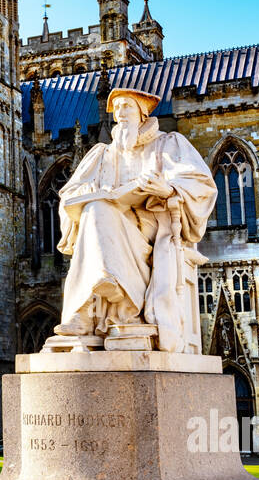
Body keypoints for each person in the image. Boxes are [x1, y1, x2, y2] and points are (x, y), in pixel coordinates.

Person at [53, 87, 217, 353]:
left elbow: (201, 184)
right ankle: (102, 297)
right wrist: (95, 193)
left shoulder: (167, 144)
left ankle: (101, 306)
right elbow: (68, 193)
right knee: (97, 209)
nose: (120, 113)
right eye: (116, 109)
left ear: (142, 112)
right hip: (107, 225)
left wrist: (169, 190)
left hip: (153, 231)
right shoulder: (102, 154)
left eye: (126, 107)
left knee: (99, 212)